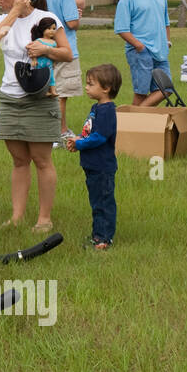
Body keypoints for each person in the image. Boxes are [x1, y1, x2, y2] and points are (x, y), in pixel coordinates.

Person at [0, 0, 74, 232]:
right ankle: (17, 217)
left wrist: (46, 49)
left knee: (42, 159)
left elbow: (67, 54)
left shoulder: (47, 19)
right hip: (10, 98)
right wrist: (14, 11)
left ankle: (44, 219)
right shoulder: (4, 20)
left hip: (40, 98)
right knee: (19, 161)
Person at [65, 64, 121, 250]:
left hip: (102, 167)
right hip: (92, 165)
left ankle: (104, 239)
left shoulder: (107, 111)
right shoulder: (96, 108)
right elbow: (90, 133)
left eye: (90, 84)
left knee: (103, 203)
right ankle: (98, 235)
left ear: (106, 88)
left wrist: (80, 143)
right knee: (96, 202)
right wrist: (78, 140)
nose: (87, 87)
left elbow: (99, 137)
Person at [114, 0, 172, 106]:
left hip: (161, 51)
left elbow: (165, 21)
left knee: (166, 89)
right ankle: (133, 125)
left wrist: (167, 41)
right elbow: (121, 29)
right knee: (141, 93)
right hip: (140, 52)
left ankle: (134, 119)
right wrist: (140, 46)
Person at [36, 0, 83, 133]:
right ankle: (60, 132)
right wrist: (78, 18)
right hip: (65, 48)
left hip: (44, 46)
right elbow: (71, 23)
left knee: (47, 91)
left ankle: (46, 130)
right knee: (61, 94)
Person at [31, 17, 59, 95]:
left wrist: (54, 62)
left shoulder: (54, 43)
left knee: (51, 77)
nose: (52, 31)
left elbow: (55, 53)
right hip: (40, 63)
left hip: (49, 63)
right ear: (43, 29)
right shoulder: (39, 41)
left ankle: (53, 91)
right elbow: (32, 50)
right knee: (41, 77)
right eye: (49, 28)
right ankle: (45, 91)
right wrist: (34, 60)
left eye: (54, 28)